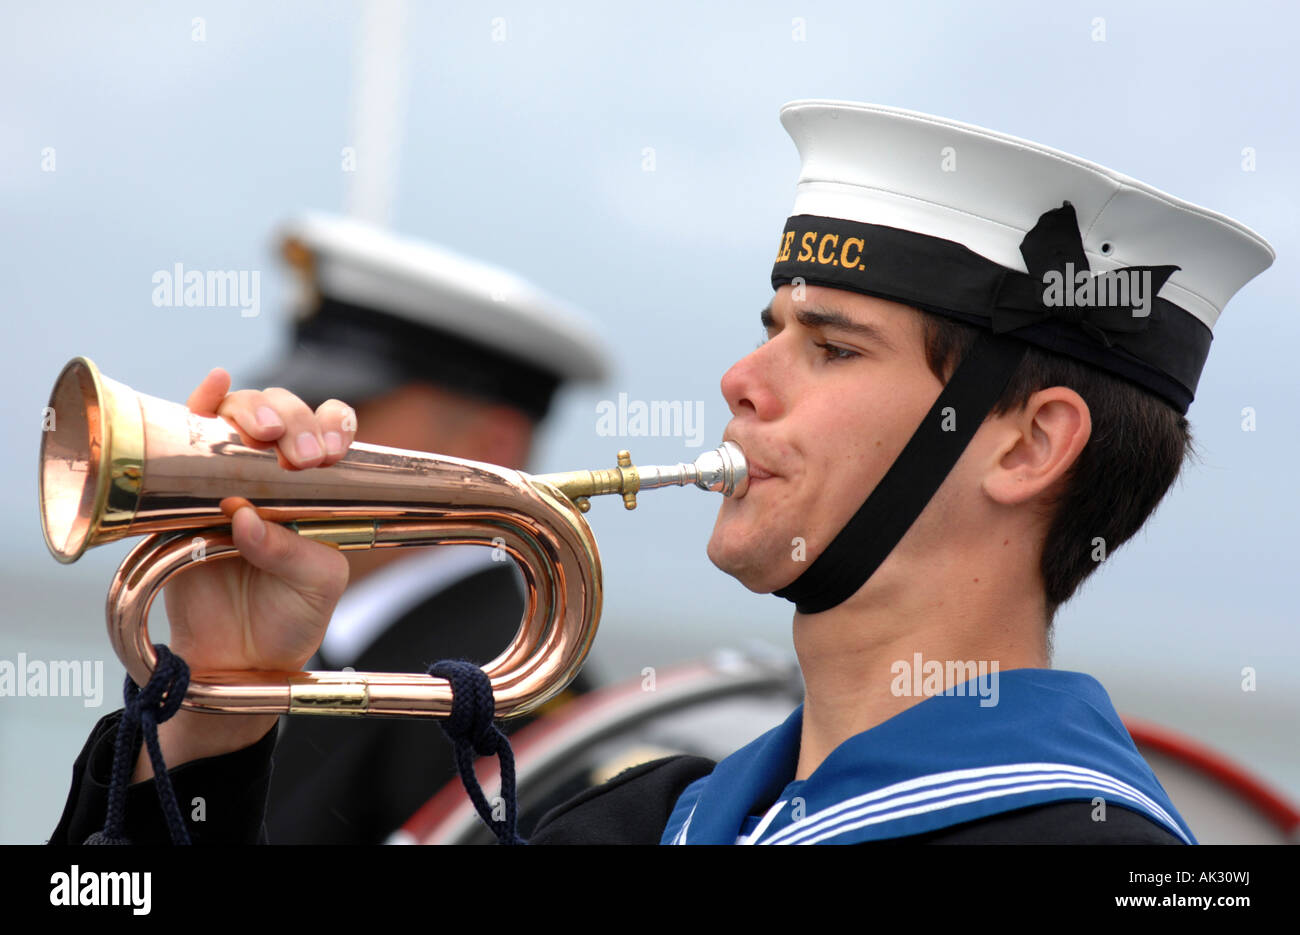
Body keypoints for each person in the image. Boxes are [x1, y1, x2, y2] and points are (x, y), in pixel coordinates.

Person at [49, 101, 1273, 845]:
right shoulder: (641, 818)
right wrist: (217, 703)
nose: (743, 377)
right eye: (769, 324)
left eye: (831, 344)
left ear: (1026, 442)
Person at [255, 214, 610, 843]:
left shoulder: (495, 698)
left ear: (490, 450)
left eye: (345, 413)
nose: (297, 440)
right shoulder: (350, 654)